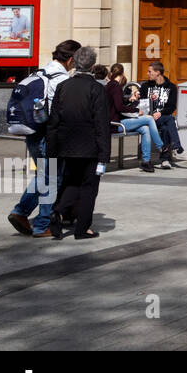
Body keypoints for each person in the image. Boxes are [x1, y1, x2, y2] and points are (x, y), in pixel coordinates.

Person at [8, 39, 79, 238]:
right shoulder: (61, 79)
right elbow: (62, 111)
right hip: (48, 136)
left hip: (32, 133)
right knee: (51, 179)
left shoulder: (39, 72)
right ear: (71, 59)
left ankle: (20, 212)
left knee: (43, 176)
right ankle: (41, 225)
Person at [45, 46, 110, 240]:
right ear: (92, 65)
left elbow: (54, 120)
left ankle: (59, 211)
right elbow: (101, 123)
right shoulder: (96, 89)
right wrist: (104, 153)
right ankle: (83, 228)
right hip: (90, 147)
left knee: (72, 181)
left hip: (67, 145)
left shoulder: (64, 86)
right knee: (89, 186)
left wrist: (52, 147)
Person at [105, 63, 161, 173]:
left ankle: (146, 161)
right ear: (122, 74)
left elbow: (117, 103)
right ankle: (161, 147)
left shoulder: (110, 85)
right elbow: (119, 107)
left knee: (145, 129)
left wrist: (128, 99)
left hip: (114, 121)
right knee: (149, 119)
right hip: (115, 124)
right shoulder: (116, 86)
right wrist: (136, 111)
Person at [141, 62, 187, 164]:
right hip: (148, 118)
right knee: (170, 119)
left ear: (157, 72)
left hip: (162, 118)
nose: (147, 74)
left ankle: (164, 159)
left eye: (150, 72)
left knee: (165, 128)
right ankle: (177, 148)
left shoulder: (171, 87)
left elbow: (172, 107)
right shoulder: (145, 87)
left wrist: (160, 113)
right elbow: (142, 105)